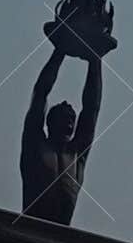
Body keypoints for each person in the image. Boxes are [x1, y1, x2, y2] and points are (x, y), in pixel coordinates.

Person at [19, 45, 101, 225]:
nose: (71, 119)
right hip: (30, 229)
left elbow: (91, 109)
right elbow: (40, 93)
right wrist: (60, 49)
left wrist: (96, 59)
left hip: (61, 235)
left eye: (72, 117)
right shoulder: (36, 145)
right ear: (50, 122)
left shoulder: (77, 155)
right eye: (65, 116)